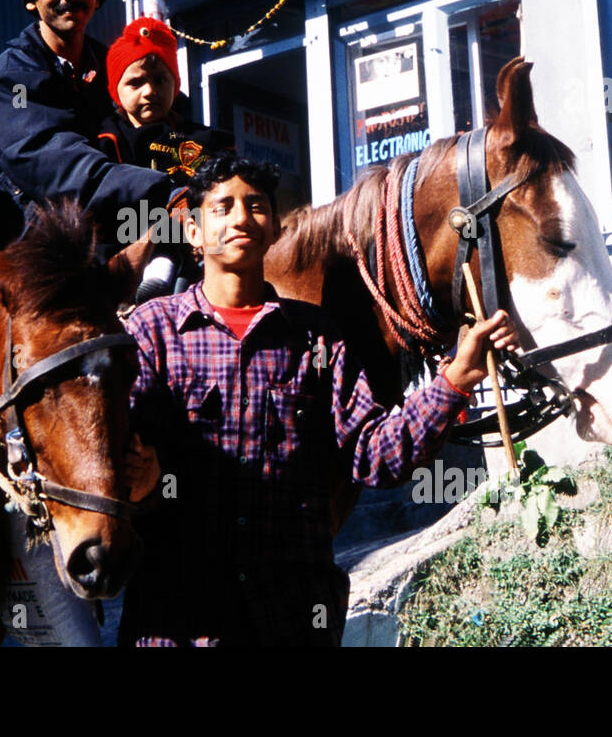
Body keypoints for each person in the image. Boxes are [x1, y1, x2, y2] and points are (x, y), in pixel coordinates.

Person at [117, 154, 517, 646]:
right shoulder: (151, 333)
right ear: (194, 233)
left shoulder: (316, 339)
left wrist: (455, 379)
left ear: (275, 228)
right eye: (222, 207)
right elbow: (113, 467)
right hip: (181, 622)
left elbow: (374, 455)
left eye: (256, 206)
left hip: (291, 621)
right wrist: (147, 482)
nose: (241, 218)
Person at [0, 0, 178, 265]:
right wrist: (162, 189)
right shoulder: (9, 80)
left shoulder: (115, 70)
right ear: (32, 0)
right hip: (19, 255)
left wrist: (210, 174)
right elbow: (58, 168)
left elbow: (171, 120)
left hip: (99, 240)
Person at [97, 16, 234, 300]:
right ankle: (158, 271)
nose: (150, 91)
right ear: (116, 90)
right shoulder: (106, 140)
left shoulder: (200, 138)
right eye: (136, 83)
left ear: (175, 84)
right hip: (126, 237)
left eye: (161, 80)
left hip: (196, 238)